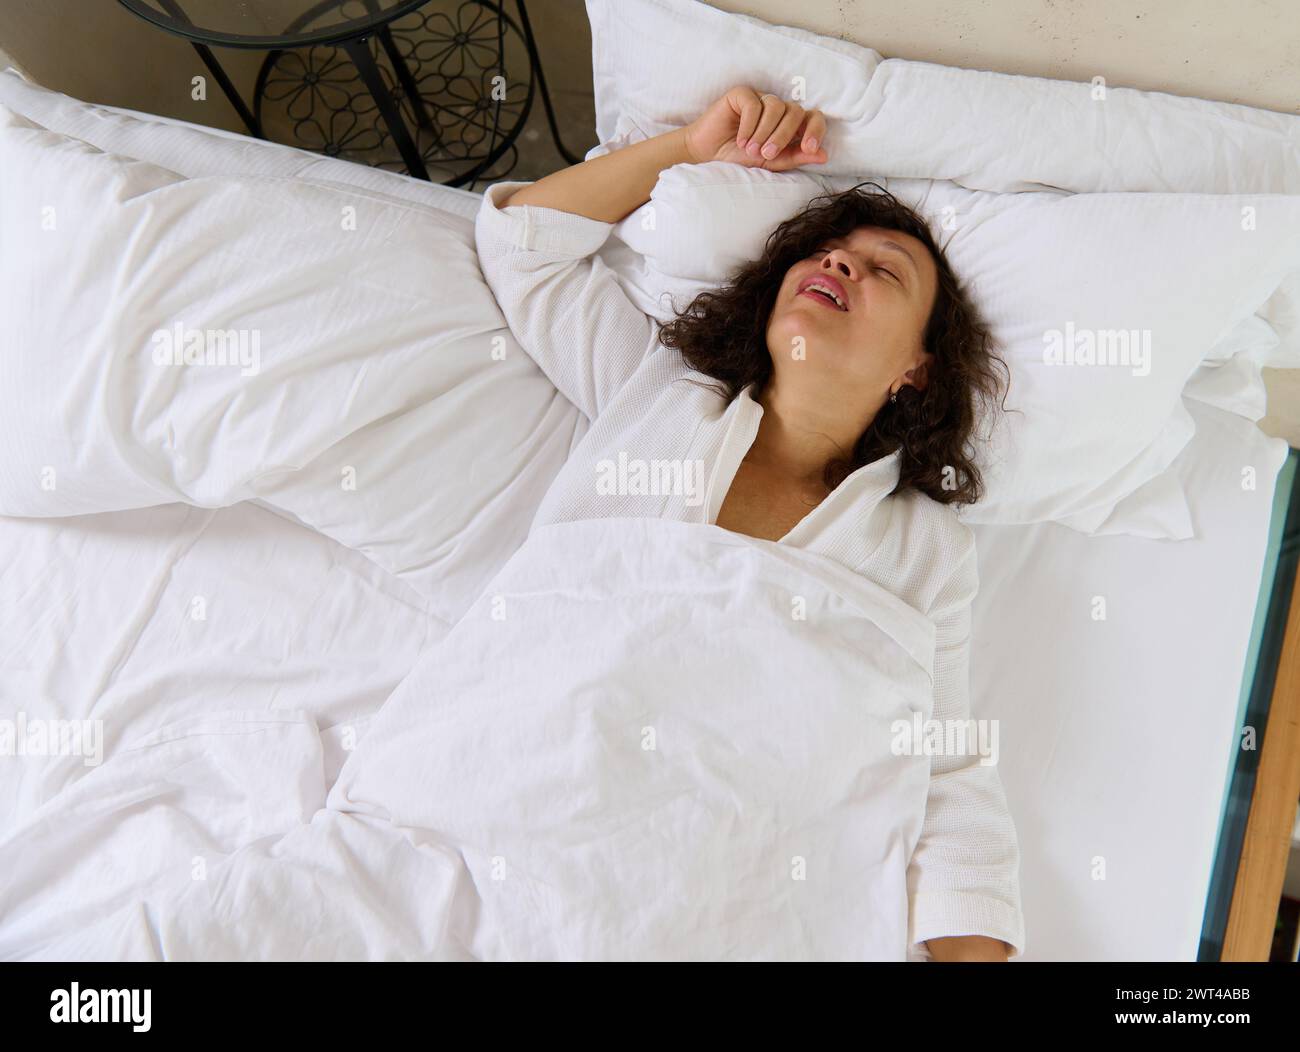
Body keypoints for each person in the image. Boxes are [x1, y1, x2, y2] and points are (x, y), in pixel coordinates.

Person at [473, 85, 1021, 961]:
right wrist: (688, 145)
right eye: (829, 254)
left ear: (916, 369)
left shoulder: (923, 547)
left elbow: (948, 773)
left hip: (715, 876)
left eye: (885, 272)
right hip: (508, 806)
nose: (842, 265)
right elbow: (521, 243)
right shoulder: (654, 394)